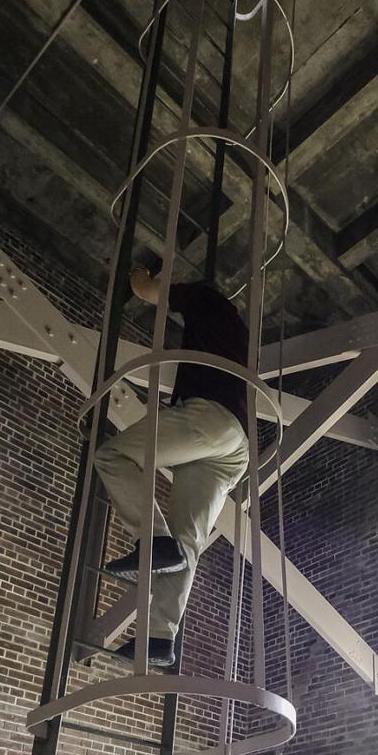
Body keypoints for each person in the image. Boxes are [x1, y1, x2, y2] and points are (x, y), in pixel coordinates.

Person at [93, 262, 250, 668]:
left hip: (210, 419)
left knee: (112, 455)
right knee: (188, 541)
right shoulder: (236, 332)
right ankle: (160, 639)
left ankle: (154, 540)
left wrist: (139, 273)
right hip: (234, 447)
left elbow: (146, 290)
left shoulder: (206, 299)